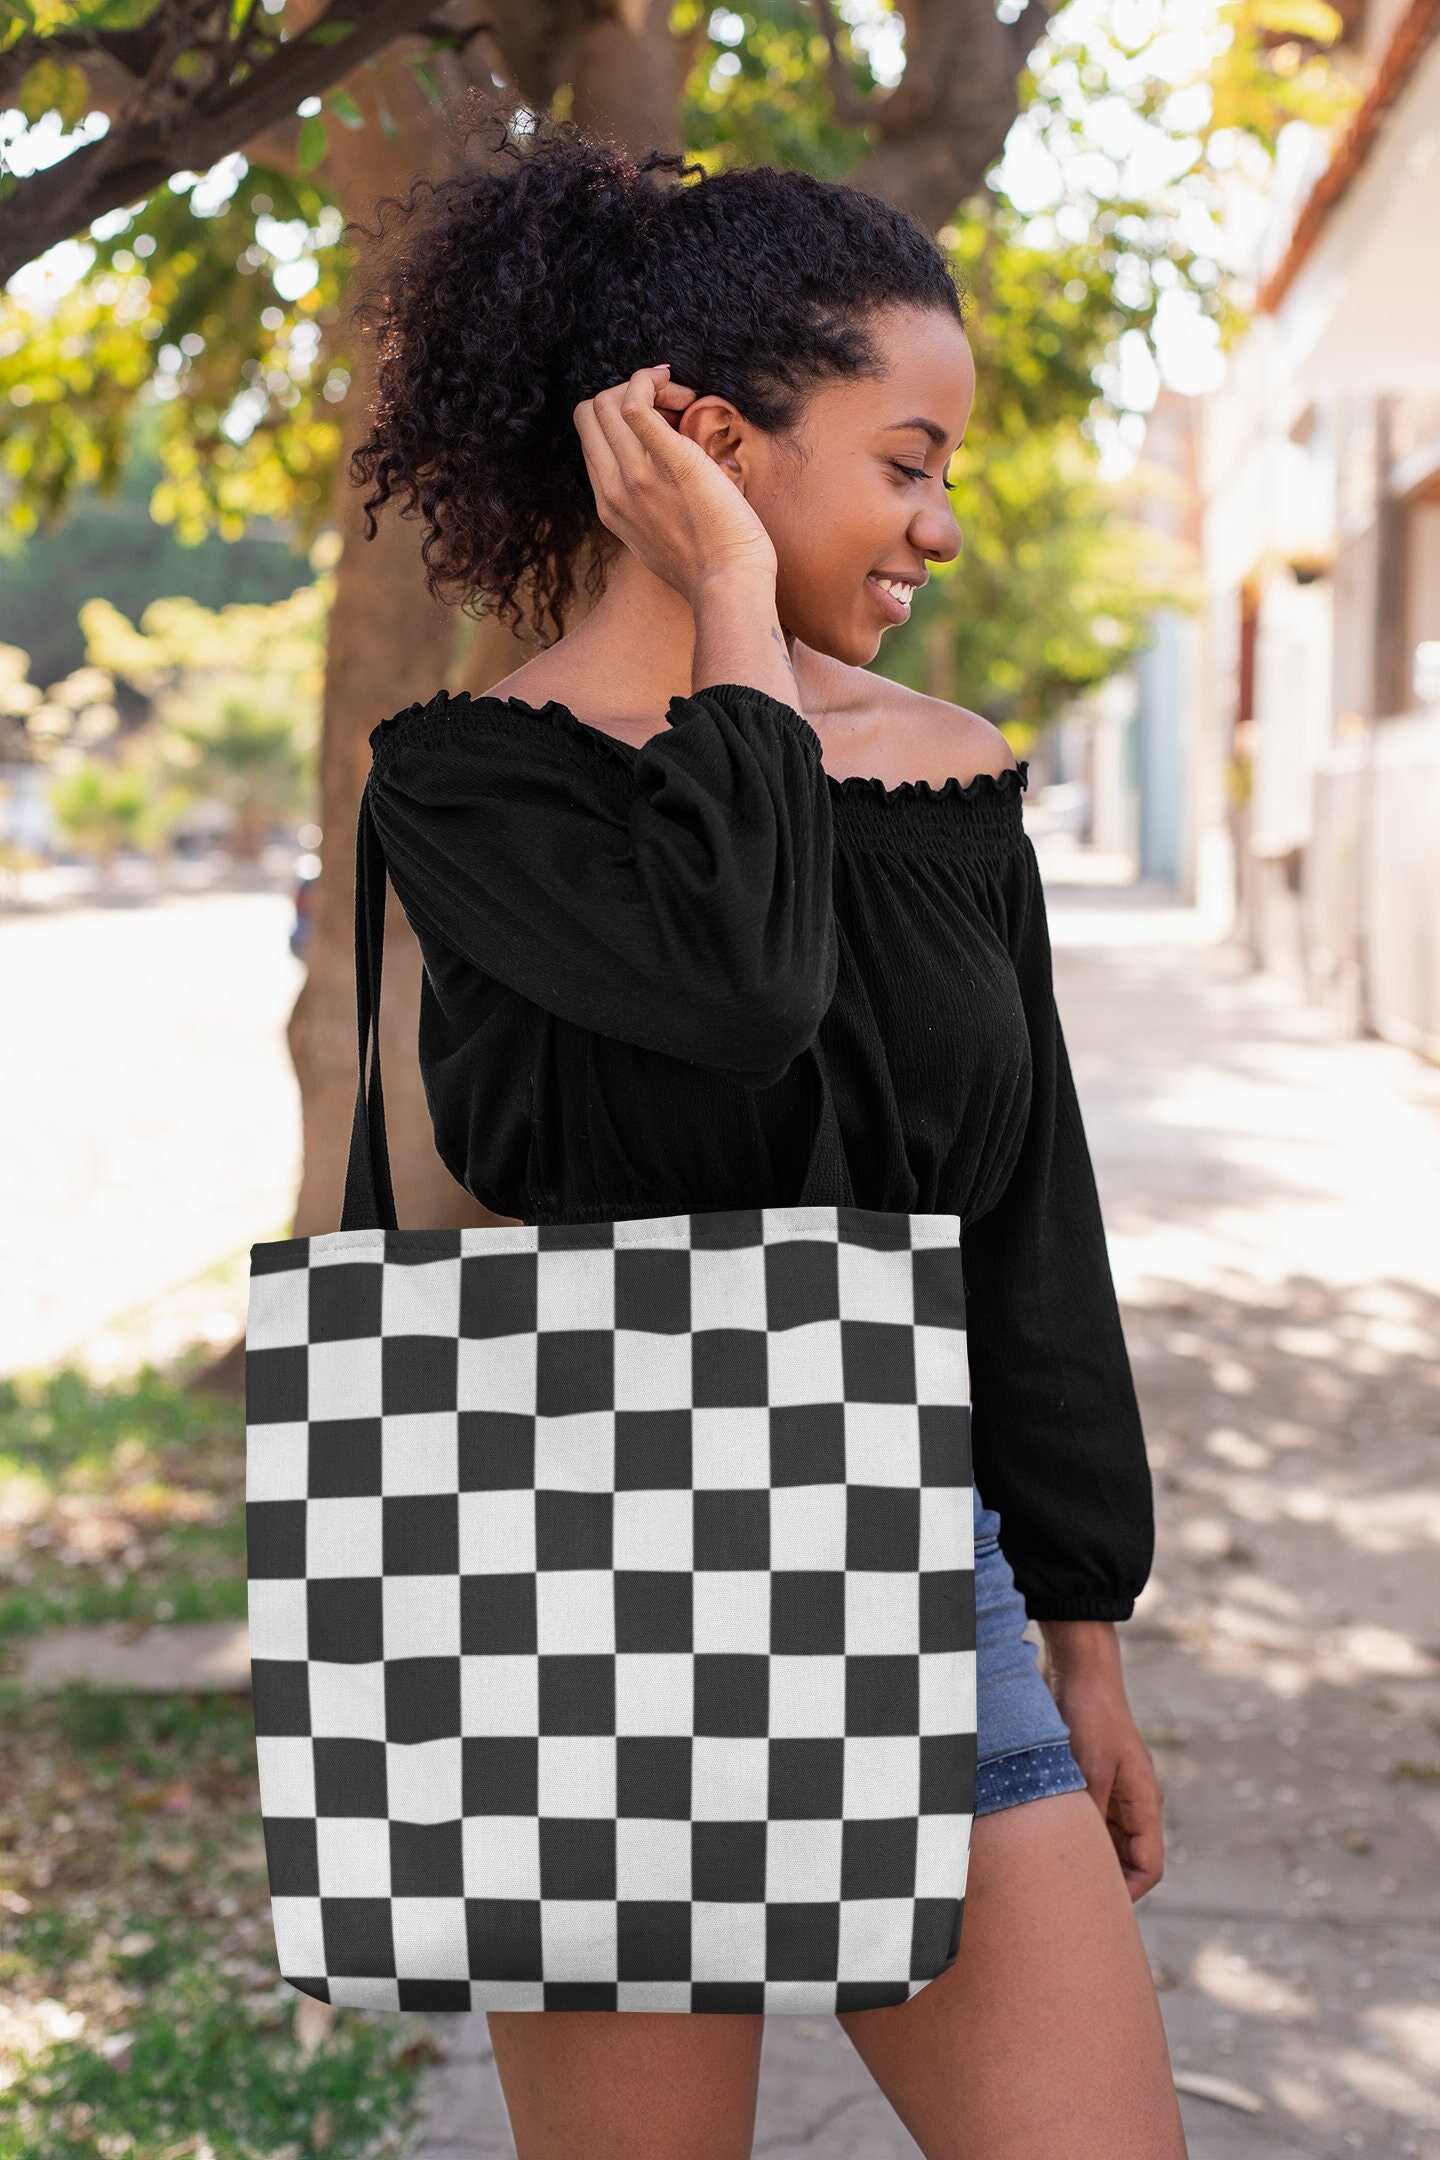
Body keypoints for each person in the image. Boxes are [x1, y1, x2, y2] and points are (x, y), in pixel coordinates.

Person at [348, 103, 1187, 2160]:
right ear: (704, 440)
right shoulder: (476, 791)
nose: (943, 530)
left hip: (918, 1560)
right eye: (904, 467)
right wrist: (730, 599)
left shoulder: (952, 781)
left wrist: (1081, 1628)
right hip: (569, 1582)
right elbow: (739, 992)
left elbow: (1029, 1220)